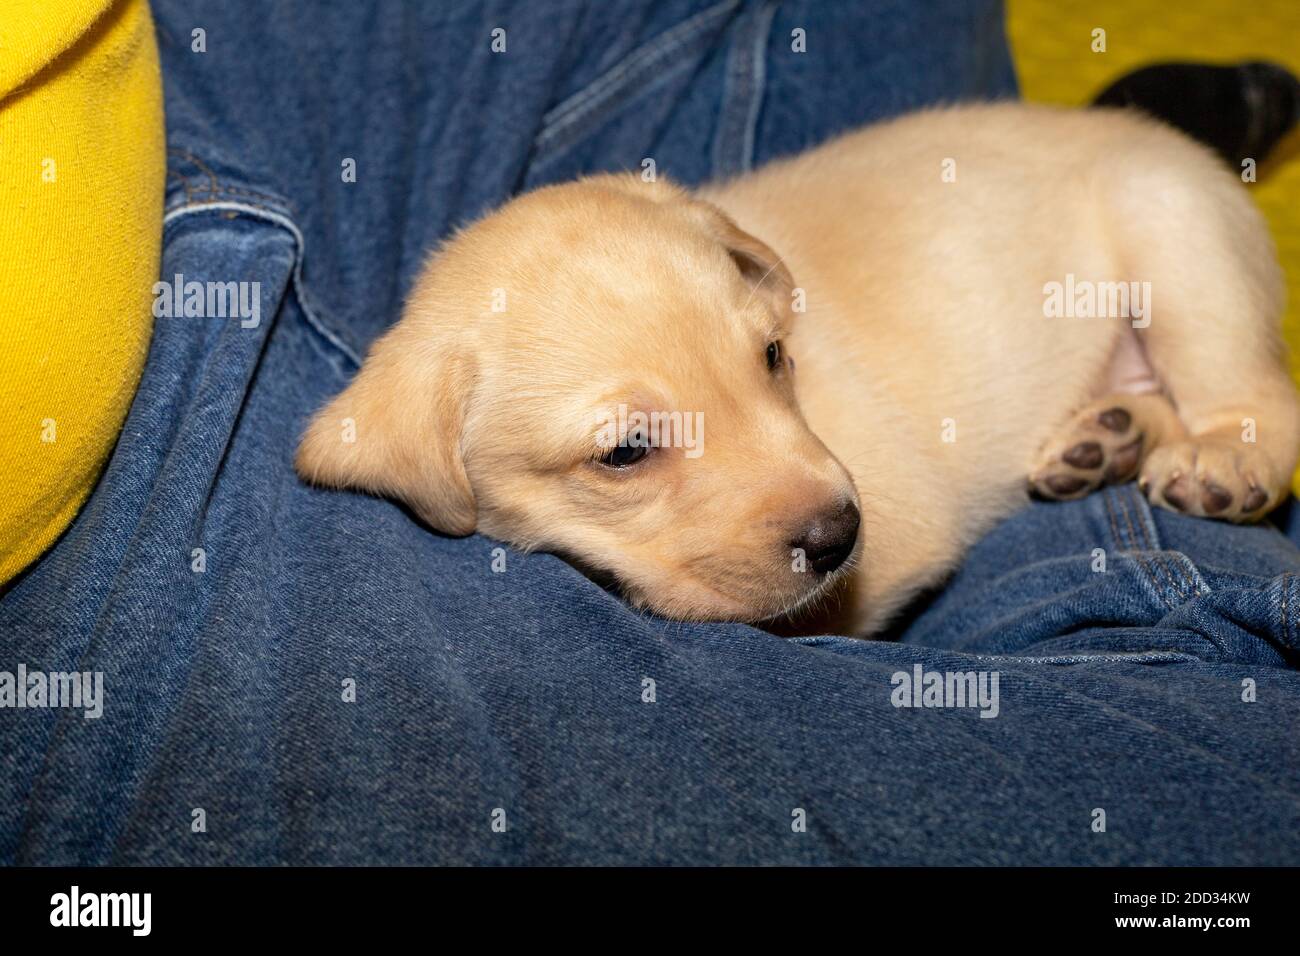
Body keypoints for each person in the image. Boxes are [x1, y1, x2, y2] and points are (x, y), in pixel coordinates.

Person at [2, 0, 1297, 865]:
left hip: (1086, 226)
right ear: (434, 468)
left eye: (773, 361)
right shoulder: (420, 413)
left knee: (1148, 188)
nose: (816, 487)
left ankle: (1227, 393)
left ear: (752, 272)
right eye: (630, 451)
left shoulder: (695, 275)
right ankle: (1146, 497)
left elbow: (871, 533)